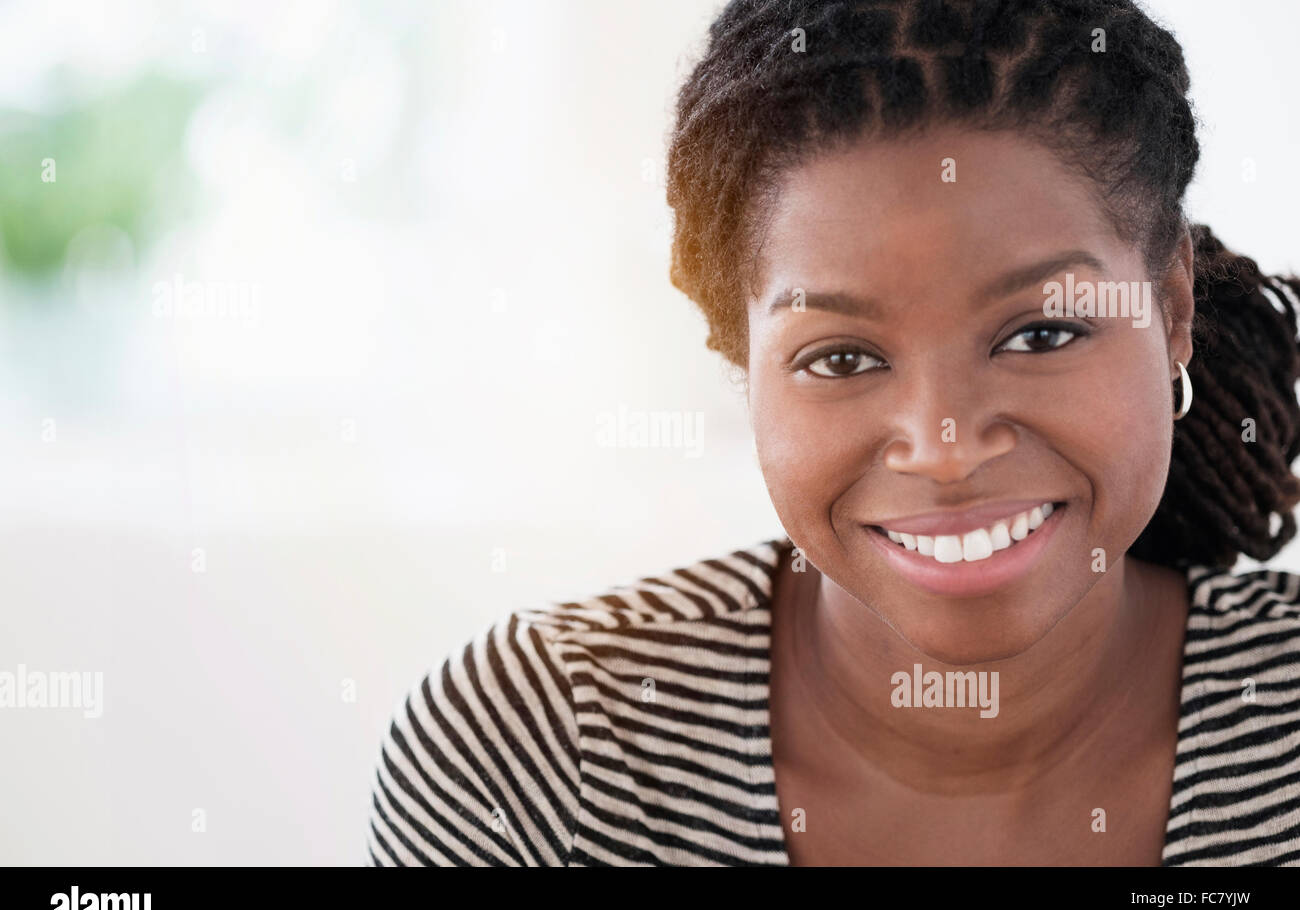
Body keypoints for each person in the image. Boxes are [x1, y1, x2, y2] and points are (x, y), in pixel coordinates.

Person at [367, 0, 1300, 866]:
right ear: (743, 356)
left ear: (1172, 308)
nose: (943, 446)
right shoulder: (543, 757)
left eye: (1042, 333)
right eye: (843, 358)